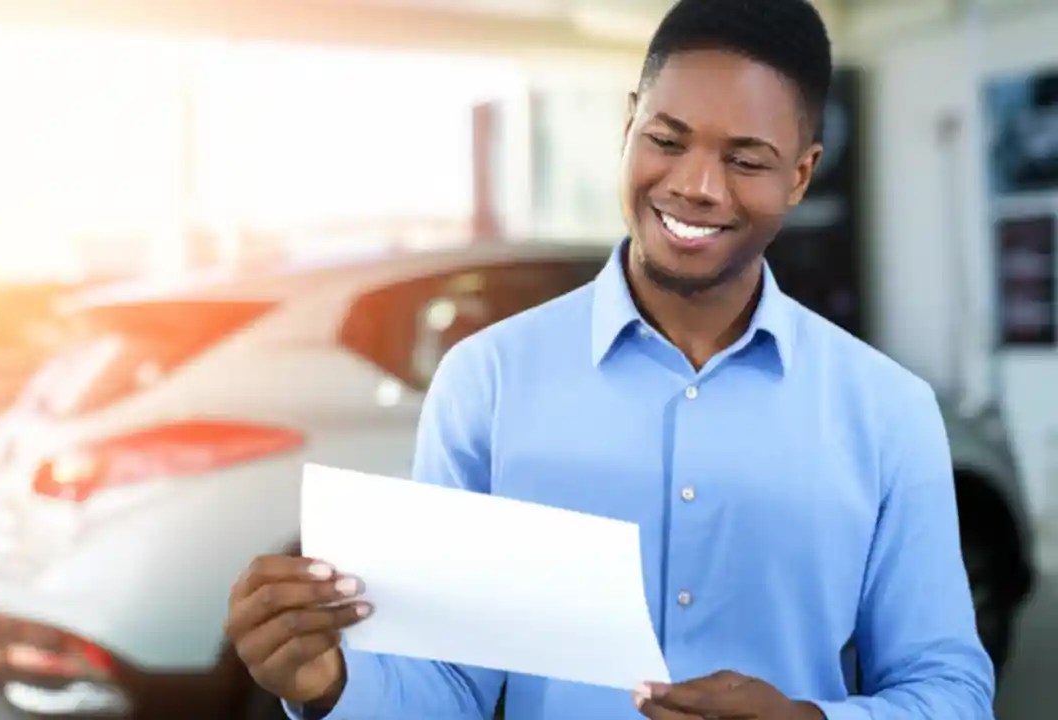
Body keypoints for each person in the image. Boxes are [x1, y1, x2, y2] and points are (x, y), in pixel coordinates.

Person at [223, 0, 996, 717]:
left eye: (746, 160)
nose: (696, 186)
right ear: (629, 126)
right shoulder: (488, 382)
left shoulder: (888, 411)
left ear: (799, 175)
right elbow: (447, 687)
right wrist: (329, 685)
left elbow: (950, 690)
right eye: (667, 140)